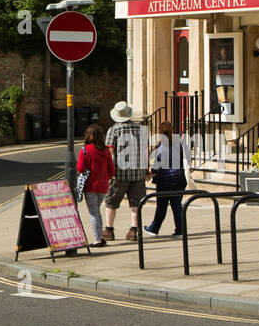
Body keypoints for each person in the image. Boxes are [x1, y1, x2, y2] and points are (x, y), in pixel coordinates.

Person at [103, 101, 149, 242]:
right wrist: (146, 169)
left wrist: (107, 170)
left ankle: (109, 230)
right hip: (138, 172)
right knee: (136, 202)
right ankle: (134, 230)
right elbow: (145, 151)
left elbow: (110, 152)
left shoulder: (114, 130)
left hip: (119, 173)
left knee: (111, 202)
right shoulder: (141, 129)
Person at [143, 121, 191, 237]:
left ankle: (154, 228)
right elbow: (188, 158)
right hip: (179, 178)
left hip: (165, 180)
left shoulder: (162, 146)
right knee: (177, 205)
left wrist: (150, 174)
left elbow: (158, 164)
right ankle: (180, 230)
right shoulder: (180, 142)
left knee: (162, 205)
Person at [76, 124, 115, 247]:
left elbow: (80, 169)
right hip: (103, 186)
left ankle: (98, 239)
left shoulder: (85, 150)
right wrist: (105, 177)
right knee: (96, 211)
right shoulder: (106, 151)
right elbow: (112, 171)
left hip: (90, 187)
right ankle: (100, 237)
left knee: (94, 212)